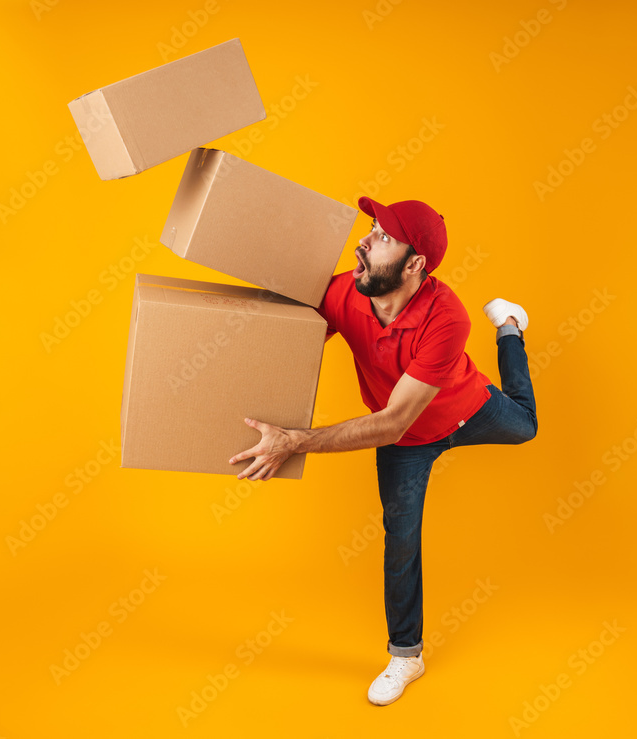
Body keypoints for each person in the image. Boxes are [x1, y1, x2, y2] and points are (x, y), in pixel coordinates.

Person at [228, 197, 538, 705]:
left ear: (415, 264)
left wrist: (295, 442)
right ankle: (407, 655)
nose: (365, 242)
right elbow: (286, 343)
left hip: (463, 411)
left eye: (385, 238)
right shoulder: (342, 293)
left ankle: (508, 327)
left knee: (526, 425)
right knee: (402, 539)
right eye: (372, 229)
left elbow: (393, 421)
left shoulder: (448, 318)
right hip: (408, 444)